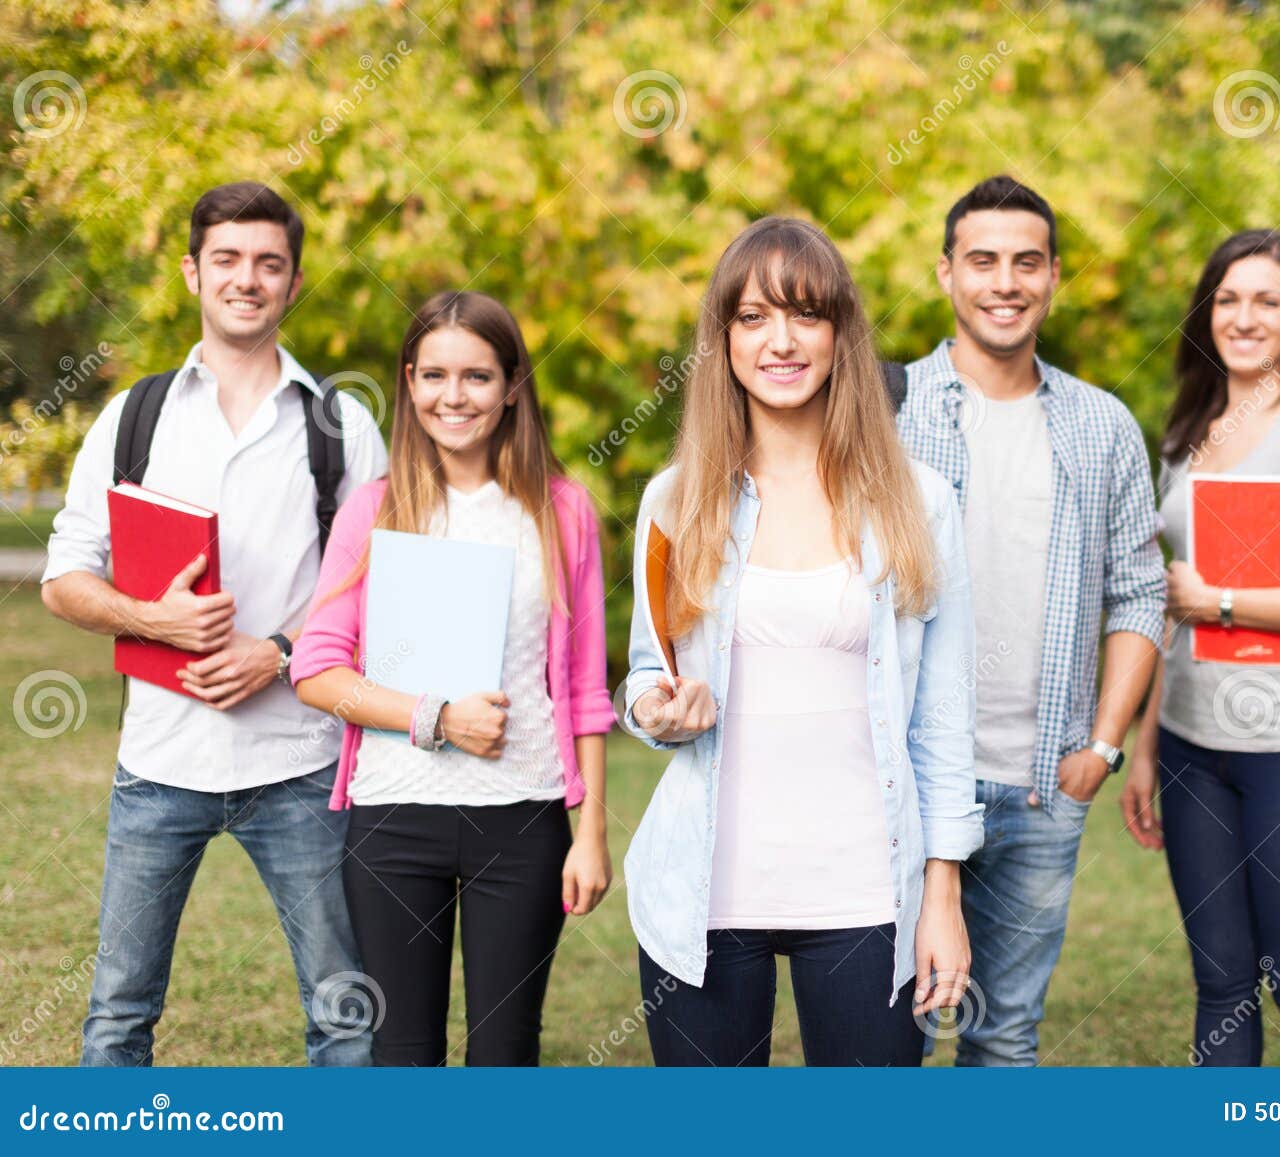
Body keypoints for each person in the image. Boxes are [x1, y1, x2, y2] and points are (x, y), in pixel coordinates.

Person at [618, 216, 983, 1067]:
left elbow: (943, 717)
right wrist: (658, 708)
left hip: (866, 895)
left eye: (805, 315)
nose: (780, 341)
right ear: (724, 341)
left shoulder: (917, 502)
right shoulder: (673, 500)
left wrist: (943, 892)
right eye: (753, 318)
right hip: (705, 894)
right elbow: (646, 669)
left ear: (840, 335)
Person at [41, 181, 388, 1066]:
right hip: (160, 762)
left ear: (294, 283)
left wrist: (275, 654)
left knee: (345, 1017)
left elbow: (375, 591)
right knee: (117, 1016)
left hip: (302, 765)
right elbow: (63, 577)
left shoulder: (342, 428)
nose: (247, 279)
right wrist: (149, 618)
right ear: (194, 272)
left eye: (268, 263)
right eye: (227, 259)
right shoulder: (136, 416)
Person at [292, 290, 614, 1066]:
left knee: (505, 1052)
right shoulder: (374, 510)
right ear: (409, 383)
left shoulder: (562, 511)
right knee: (403, 1052)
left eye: (476, 375)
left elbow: (585, 691)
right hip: (394, 816)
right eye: (434, 375)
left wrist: (593, 828)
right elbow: (314, 669)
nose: (454, 395)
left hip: (523, 815)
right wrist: (434, 716)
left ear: (511, 385)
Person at [896, 175, 1167, 1066]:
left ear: (1053, 277)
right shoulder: (884, 414)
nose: (1004, 281)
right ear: (946, 273)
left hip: (1044, 787)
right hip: (899, 785)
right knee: (881, 1040)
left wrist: (1103, 747)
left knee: (1002, 1035)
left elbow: (1140, 591)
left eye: (1026, 261)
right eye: (982, 260)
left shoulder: (1103, 426)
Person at [1121, 229, 1280, 1067]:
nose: (1243, 317)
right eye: (1227, 299)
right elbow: (1172, 608)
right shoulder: (1187, 434)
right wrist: (1145, 746)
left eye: (1267, 300)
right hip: (1193, 752)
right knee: (1222, 986)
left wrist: (1224, 600)